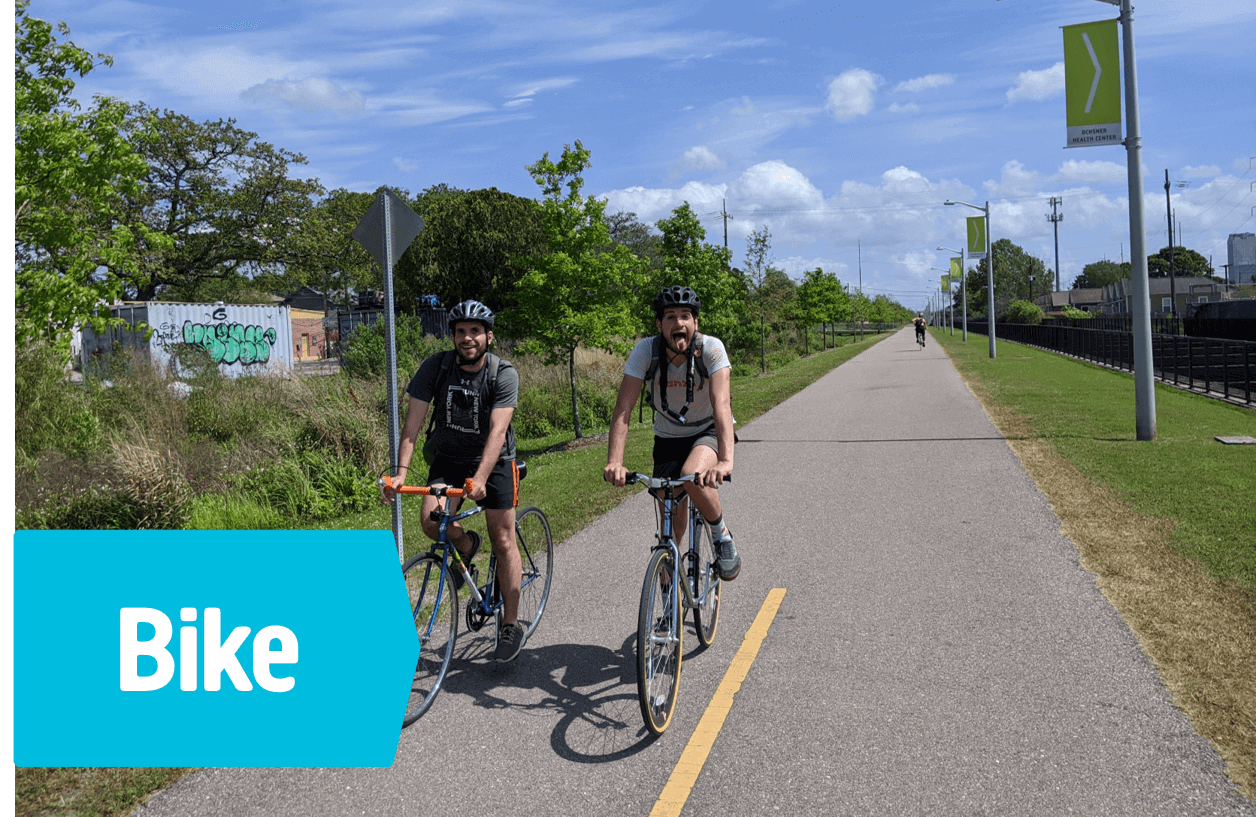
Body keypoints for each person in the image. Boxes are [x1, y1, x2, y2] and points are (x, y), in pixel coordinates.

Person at [382, 300, 526, 662]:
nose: (467, 338)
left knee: (503, 538)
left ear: (488, 336)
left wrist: (479, 479)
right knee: (432, 523)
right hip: (448, 458)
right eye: (460, 331)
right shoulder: (436, 367)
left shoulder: (502, 373)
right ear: (452, 336)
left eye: (475, 331)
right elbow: (412, 426)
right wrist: (400, 473)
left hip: (492, 463)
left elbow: (498, 431)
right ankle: (465, 547)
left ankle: (510, 623)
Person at [603, 285, 741, 580]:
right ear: (659, 324)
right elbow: (623, 407)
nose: (678, 323)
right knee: (670, 527)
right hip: (667, 437)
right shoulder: (646, 351)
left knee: (693, 475)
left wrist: (725, 460)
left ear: (696, 323)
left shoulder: (711, 350)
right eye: (670, 317)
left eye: (685, 316)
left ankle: (721, 536)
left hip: (707, 430)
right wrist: (615, 460)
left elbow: (721, 406)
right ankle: (668, 601)